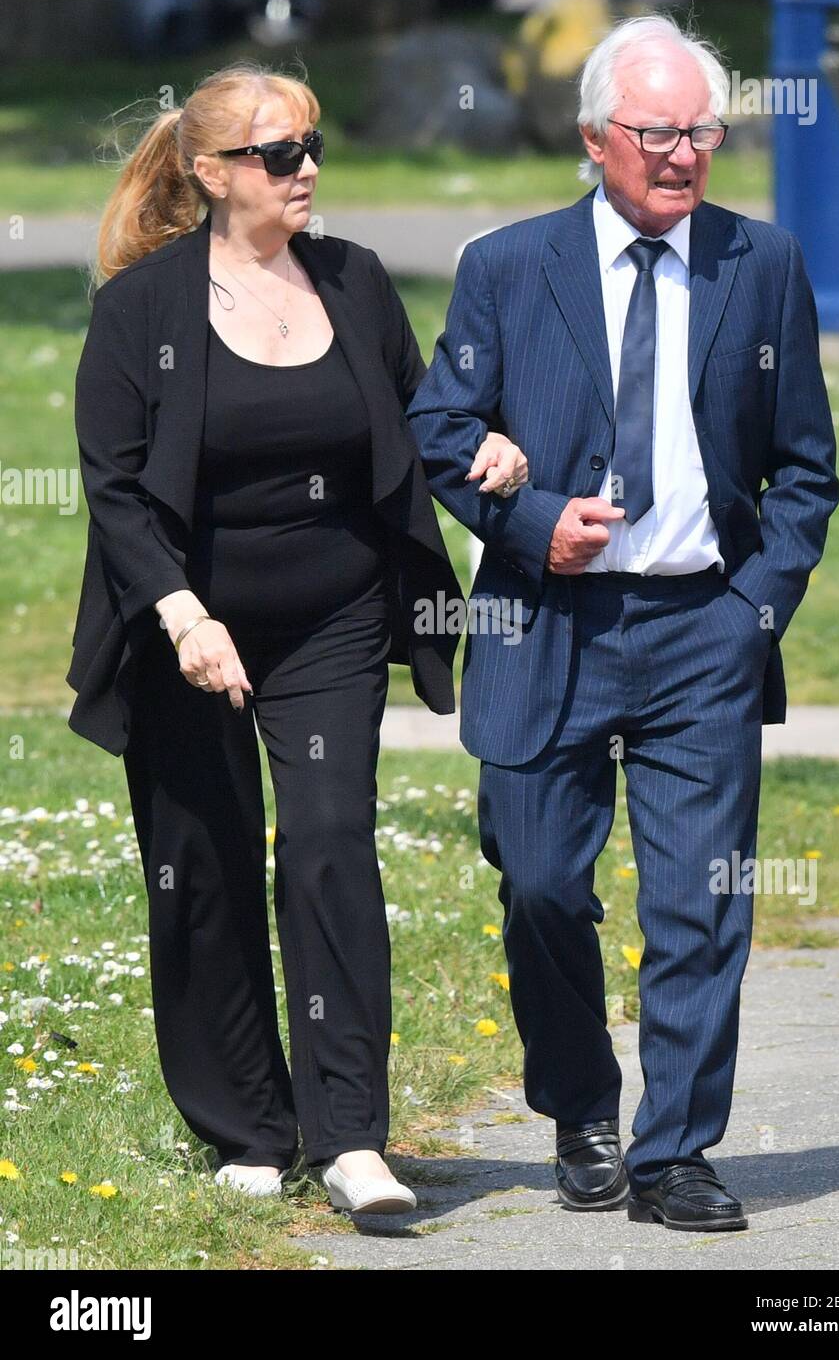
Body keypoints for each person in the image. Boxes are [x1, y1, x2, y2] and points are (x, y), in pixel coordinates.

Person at [66, 63, 526, 1211]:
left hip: (333, 610)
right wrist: (180, 615)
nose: (307, 168)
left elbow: (421, 422)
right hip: (188, 619)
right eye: (280, 154)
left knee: (328, 839)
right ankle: (249, 1127)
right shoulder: (142, 309)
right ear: (215, 174)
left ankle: (351, 1133)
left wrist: (488, 455)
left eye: (314, 145)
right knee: (204, 867)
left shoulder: (355, 283)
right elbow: (116, 491)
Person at [406, 15, 839, 1227]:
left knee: (702, 899)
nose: (683, 153)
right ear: (597, 138)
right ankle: (581, 1106)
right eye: (657, 132)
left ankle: (677, 1153)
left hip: (706, 624)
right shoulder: (507, 266)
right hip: (546, 620)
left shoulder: (765, 265)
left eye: (702, 131)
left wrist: (760, 604)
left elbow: (807, 468)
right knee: (542, 882)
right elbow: (441, 428)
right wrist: (533, 517)